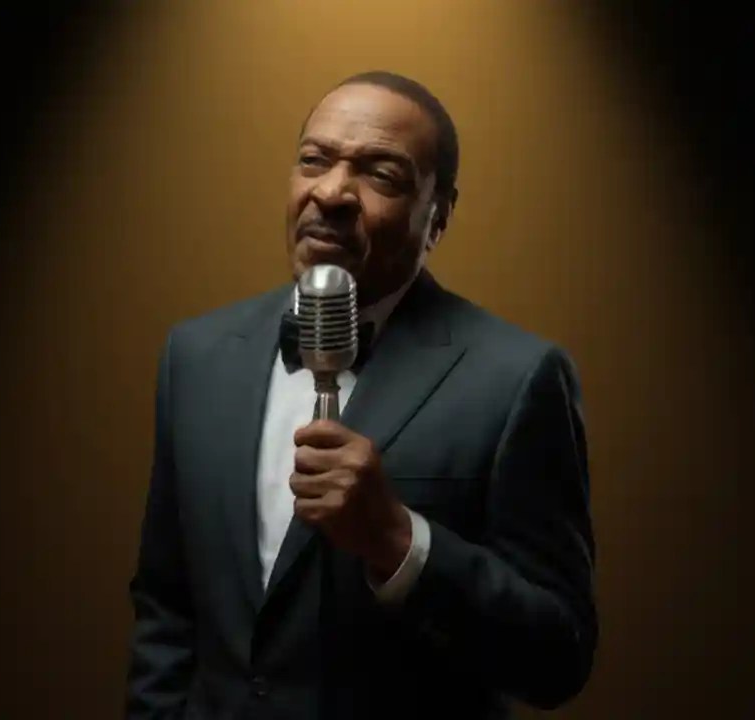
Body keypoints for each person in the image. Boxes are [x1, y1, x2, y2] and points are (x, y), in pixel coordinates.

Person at [125, 70, 596, 719]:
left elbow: (558, 654)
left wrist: (399, 541)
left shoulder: (519, 379)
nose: (332, 192)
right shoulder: (198, 357)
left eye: (381, 175)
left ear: (438, 217)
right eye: (313, 160)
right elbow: (167, 608)